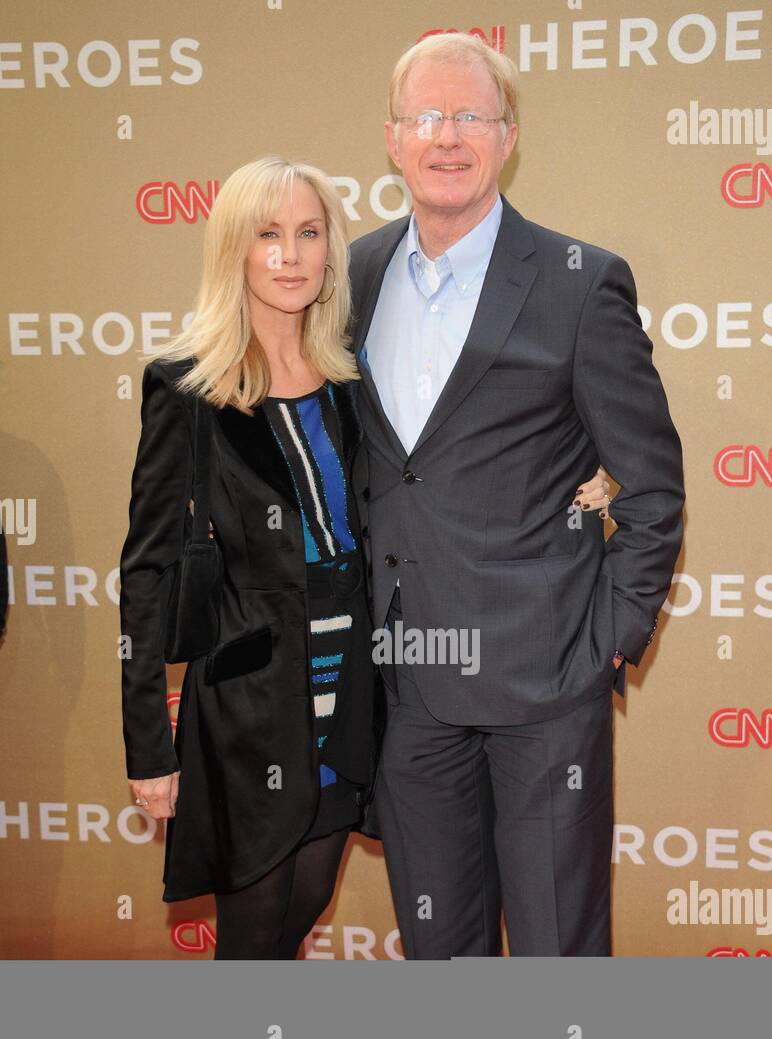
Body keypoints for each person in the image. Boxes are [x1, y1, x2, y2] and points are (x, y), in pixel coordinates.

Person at [348, 33, 686, 958]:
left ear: (507, 138)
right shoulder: (352, 276)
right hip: (407, 684)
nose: (446, 136)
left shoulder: (580, 283)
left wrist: (602, 647)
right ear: (392, 137)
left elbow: (653, 490)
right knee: (439, 951)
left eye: (470, 116)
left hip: (544, 689)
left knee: (554, 954)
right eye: (427, 116)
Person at [119, 157, 379, 959]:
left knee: (303, 908)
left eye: (308, 233)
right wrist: (148, 749)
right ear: (233, 249)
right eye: (268, 235)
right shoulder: (187, 388)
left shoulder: (351, 380)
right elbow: (146, 572)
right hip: (249, 711)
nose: (290, 254)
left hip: (352, 693)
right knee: (254, 939)